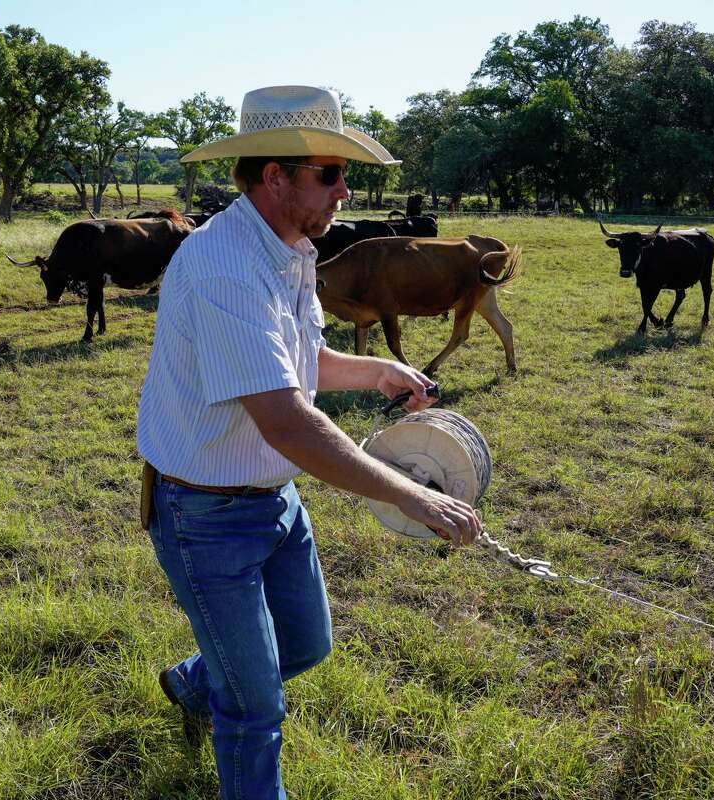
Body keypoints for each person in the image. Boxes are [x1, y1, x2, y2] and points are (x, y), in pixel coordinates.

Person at [136, 85, 481, 800]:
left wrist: (378, 369)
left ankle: (191, 683)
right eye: (330, 173)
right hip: (205, 514)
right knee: (256, 708)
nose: (344, 191)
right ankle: (227, 704)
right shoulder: (224, 268)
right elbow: (290, 420)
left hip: (273, 497)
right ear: (275, 177)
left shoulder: (288, 248)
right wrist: (414, 496)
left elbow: (296, 360)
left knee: (305, 645)